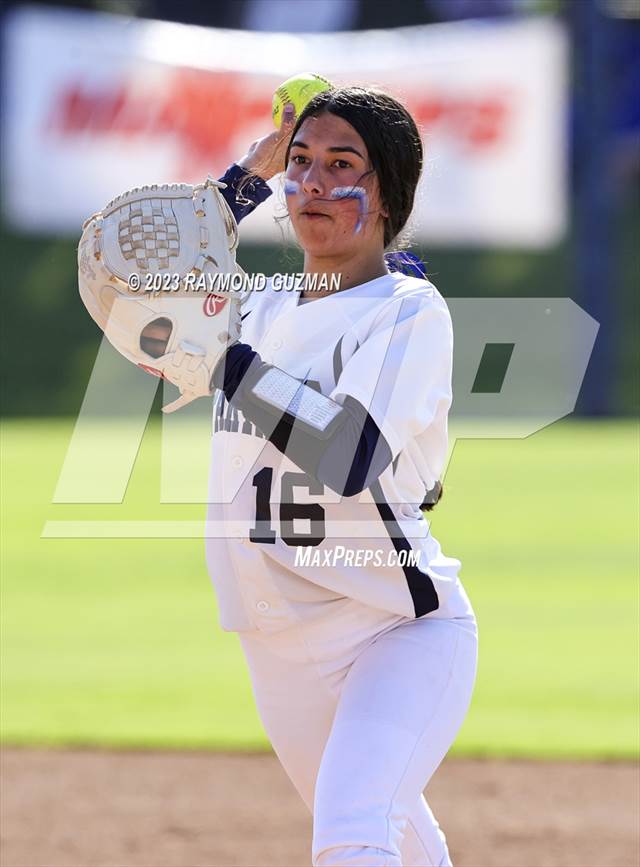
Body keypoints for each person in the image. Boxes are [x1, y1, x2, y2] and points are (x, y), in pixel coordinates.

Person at [206, 87, 477, 867]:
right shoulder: (257, 307)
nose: (314, 184)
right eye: (302, 163)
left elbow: (348, 455)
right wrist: (247, 177)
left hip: (395, 631)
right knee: (396, 844)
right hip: (278, 643)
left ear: (387, 190)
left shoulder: (406, 311)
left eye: (341, 165)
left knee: (352, 833)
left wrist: (226, 364)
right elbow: (131, 273)